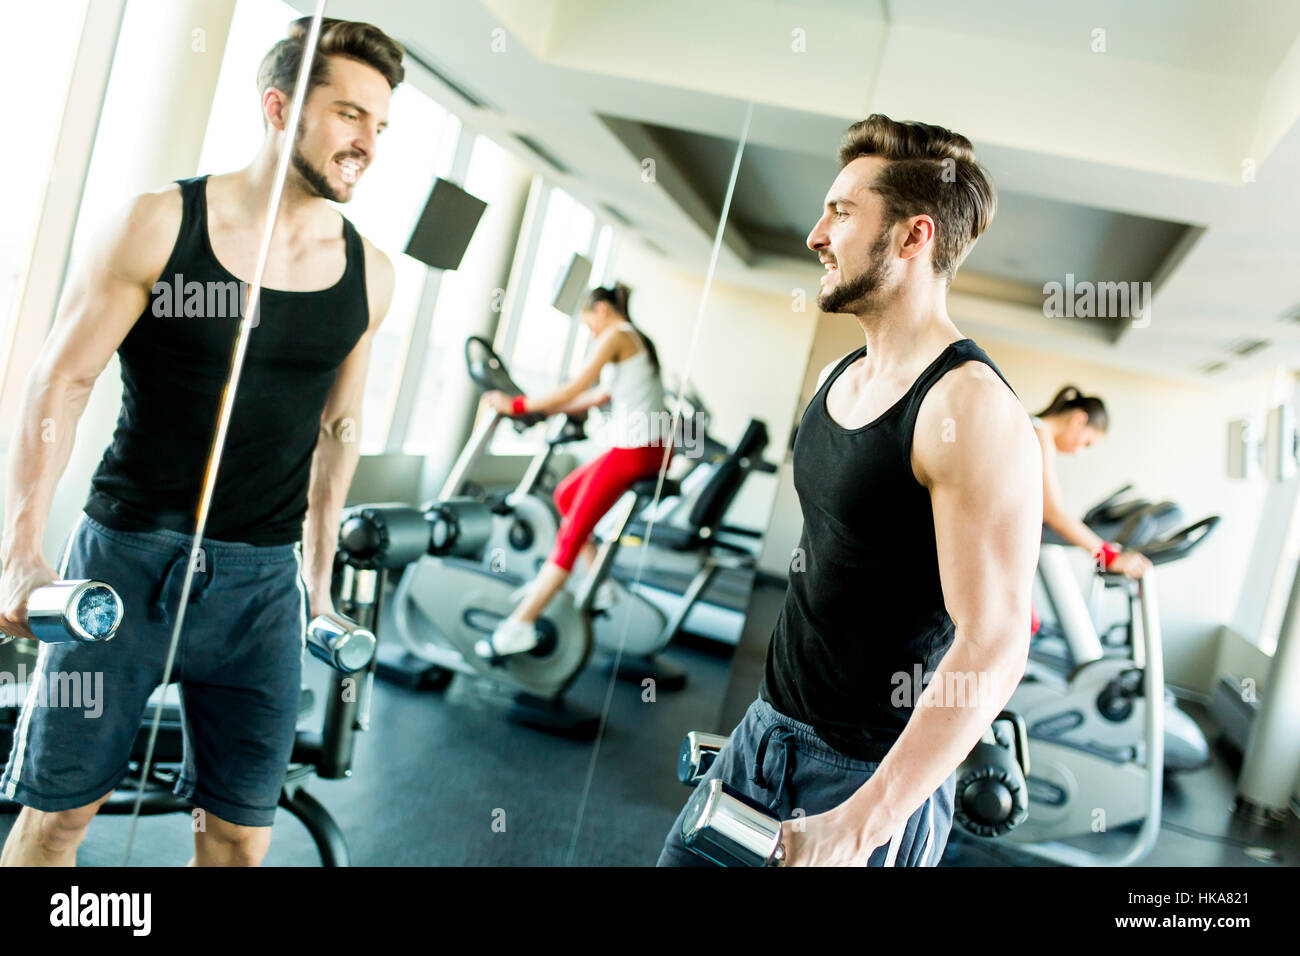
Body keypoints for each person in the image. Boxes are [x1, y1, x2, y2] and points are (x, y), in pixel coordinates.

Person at [0, 17, 403, 866]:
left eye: (381, 123)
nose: (368, 141)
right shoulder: (158, 225)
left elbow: (339, 429)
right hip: (125, 565)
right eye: (349, 114)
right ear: (277, 107)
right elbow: (59, 380)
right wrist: (19, 547)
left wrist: (320, 585)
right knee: (56, 824)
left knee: (238, 842)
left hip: (262, 590)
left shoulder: (371, 275)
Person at [657, 114, 1042, 867]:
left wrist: (863, 823)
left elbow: (994, 643)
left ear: (912, 237)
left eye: (840, 212)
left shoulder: (969, 408)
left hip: (868, 778)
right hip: (765, 734)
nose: (815, 234)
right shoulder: (839, 379)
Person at [479, 283, 670, 658]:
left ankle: (519, 627)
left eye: (589, 325)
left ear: (600, 310)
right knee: (565, 495)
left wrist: (517, 405)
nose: (591, 332)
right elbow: (595, 397)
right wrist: (542, 410)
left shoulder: (617, 335)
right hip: (646, 448)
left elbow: (577, 385)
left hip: (635, 449)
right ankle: (600, 585)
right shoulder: (632, 339)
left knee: (571, 533)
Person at [1032, 386, 1152, 594]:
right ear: (1078, 420)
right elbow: (1053, 512)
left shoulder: (1033, 428)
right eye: (1086, 443)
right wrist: (1109, 556)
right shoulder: (1038, 433)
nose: (1079, 452)